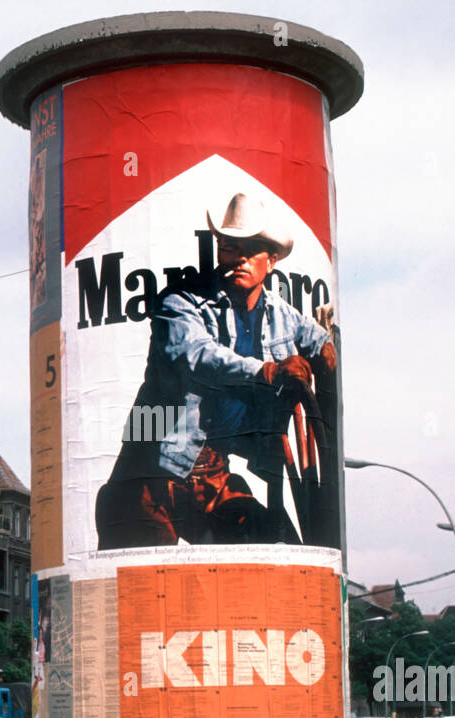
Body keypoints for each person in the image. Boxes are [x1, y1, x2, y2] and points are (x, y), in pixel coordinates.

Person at [95, 192, 337, 548]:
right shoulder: (178, 302)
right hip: (149, 465)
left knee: (271, 540)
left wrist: (326, 350)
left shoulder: (279, 314)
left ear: (271, 262)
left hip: (209, 473)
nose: (238, 258)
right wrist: (267, 371)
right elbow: (195, 355)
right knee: (146, 577)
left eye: (250, 248)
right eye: (229, 247)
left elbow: (315, 339)